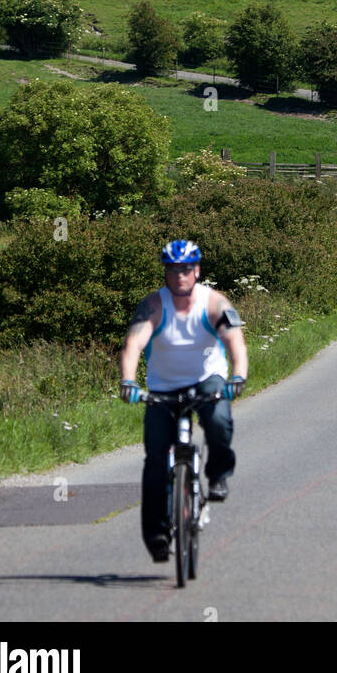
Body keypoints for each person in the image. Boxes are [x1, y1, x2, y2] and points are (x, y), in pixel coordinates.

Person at [119, 239, 248, 563]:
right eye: (173, 269)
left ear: (197, 271)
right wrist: (129, 381)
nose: (180, 276)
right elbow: (133, 345)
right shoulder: (153, 306)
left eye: (187, 269)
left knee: (218, 419)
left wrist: (238, 376)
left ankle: (218, 474)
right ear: (166, 272)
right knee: (154, 462)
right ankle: (158, 535)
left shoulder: (214, 302)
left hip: (207, 380)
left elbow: (235, 342)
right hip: (163, 389)